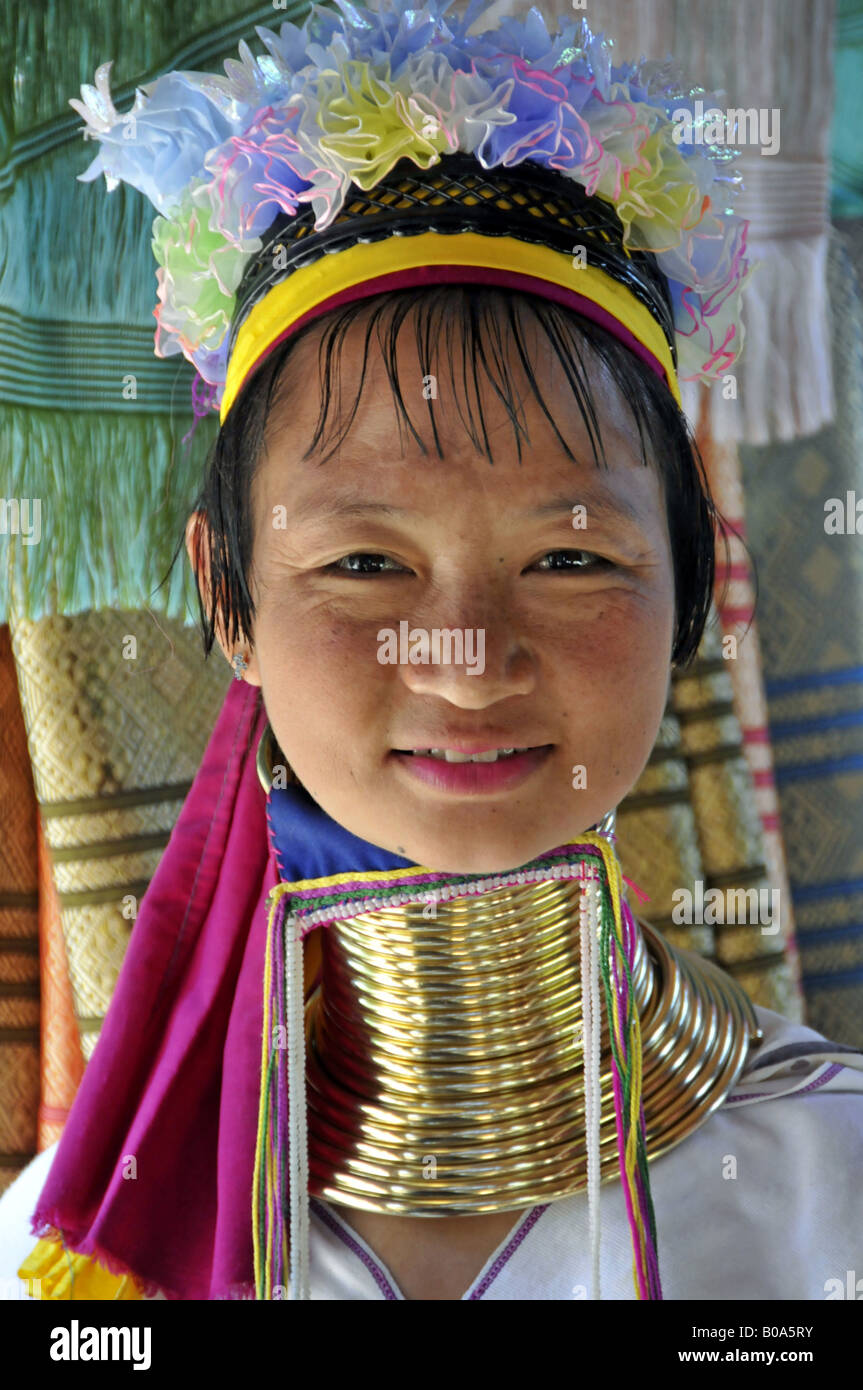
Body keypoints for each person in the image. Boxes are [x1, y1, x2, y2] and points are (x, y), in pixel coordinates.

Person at [1, 0, 861, 1302]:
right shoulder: (76, 1266)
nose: (466, 659)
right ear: (225, 598)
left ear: (699, 578)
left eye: (569, 558)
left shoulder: (833, 1181)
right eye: (363, 562)